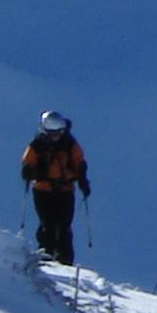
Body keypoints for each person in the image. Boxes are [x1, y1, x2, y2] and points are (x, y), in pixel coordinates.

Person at [20, 111, 90, 264]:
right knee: (48, 223)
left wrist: (82, 180)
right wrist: (27, 170)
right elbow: (27, 162)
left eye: (57, 132)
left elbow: (79, 162)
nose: (54, 136)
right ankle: (47, 252)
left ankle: (64, 258)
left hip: (64, 190)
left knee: (63, 225)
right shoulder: (38, 145)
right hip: (43, 190)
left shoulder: (69, 144)